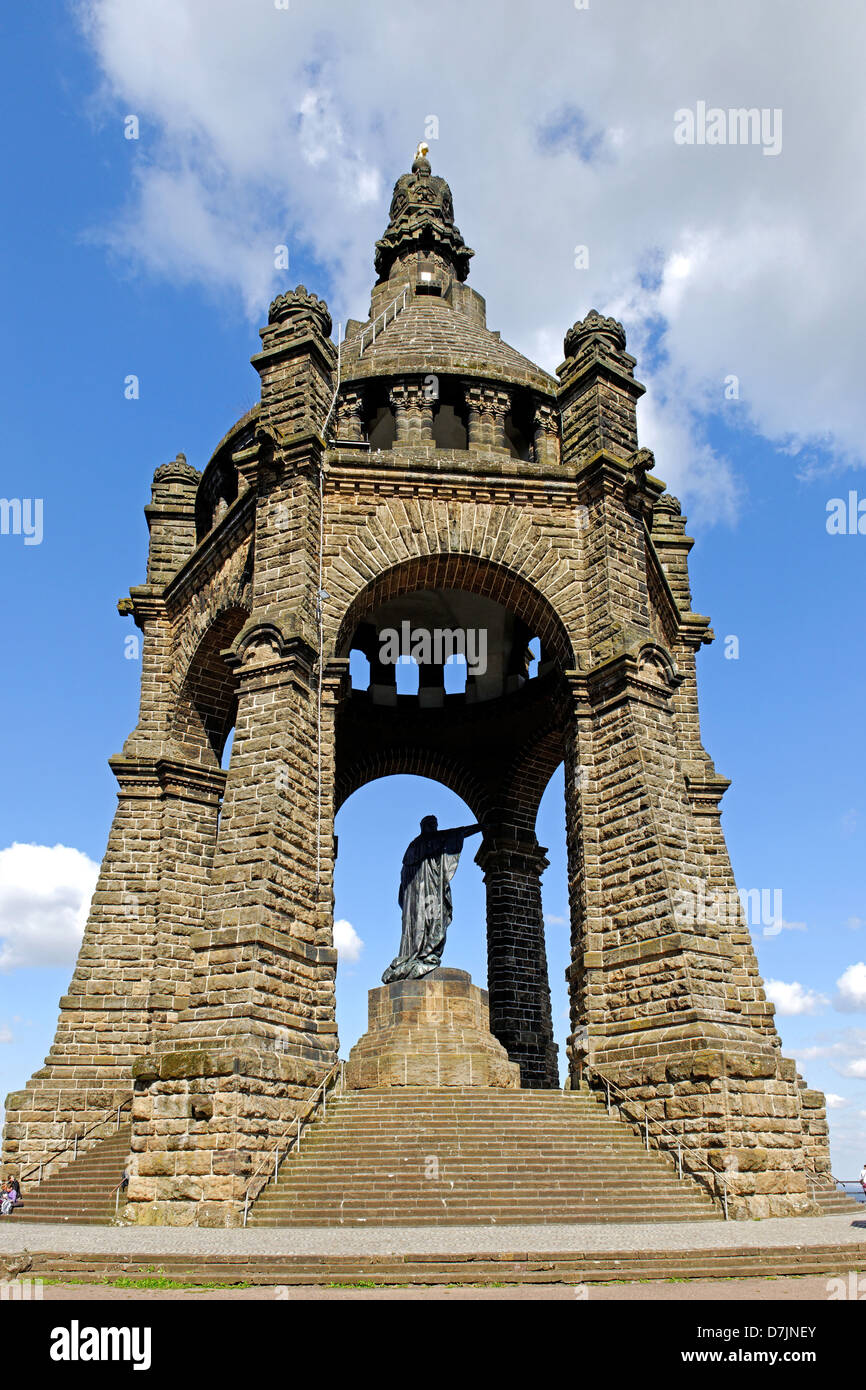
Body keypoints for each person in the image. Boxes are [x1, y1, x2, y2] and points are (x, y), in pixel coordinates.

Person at [382, 816, 483, 983]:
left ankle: (422, 954)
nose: (433, 828)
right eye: (430, 825)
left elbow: (460, 832)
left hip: (426, 892)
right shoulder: (417, 846)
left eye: (434, 825)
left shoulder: (415, 846)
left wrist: (480, 826)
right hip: (423, 897)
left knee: (433, 922)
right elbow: (459, 833)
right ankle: (420, 955)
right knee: (428, 922)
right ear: (423, 827)